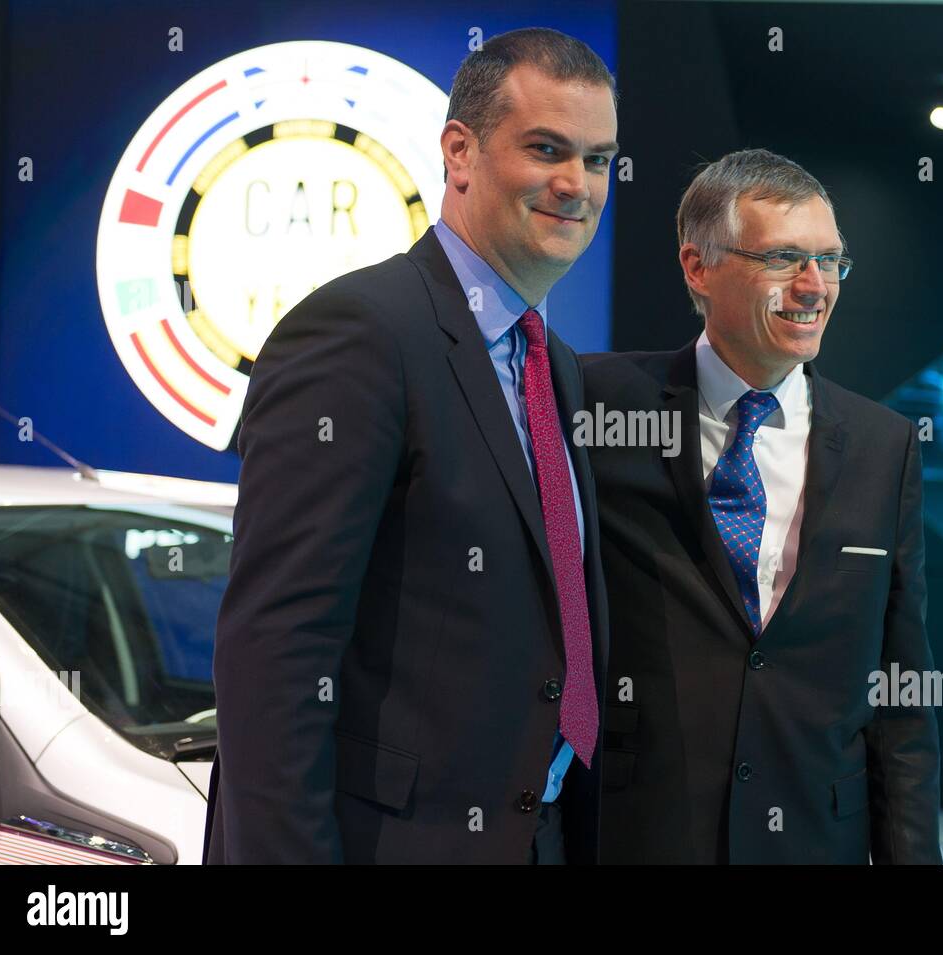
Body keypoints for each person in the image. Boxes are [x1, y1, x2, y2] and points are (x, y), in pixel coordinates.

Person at [204, 27, 619, 864]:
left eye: (600, 159)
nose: (578, 185)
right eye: (547, 149)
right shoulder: (359, 332)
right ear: (459, 153)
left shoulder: (557, 369)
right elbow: (275, 658)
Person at [583, 148, 941, 863]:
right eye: (784, 258)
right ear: (697, 267)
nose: (815, 286)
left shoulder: (884, 444)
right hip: (639, 836)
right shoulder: (598, 406)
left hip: (815, 838)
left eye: (831, 260)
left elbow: (901, 693)